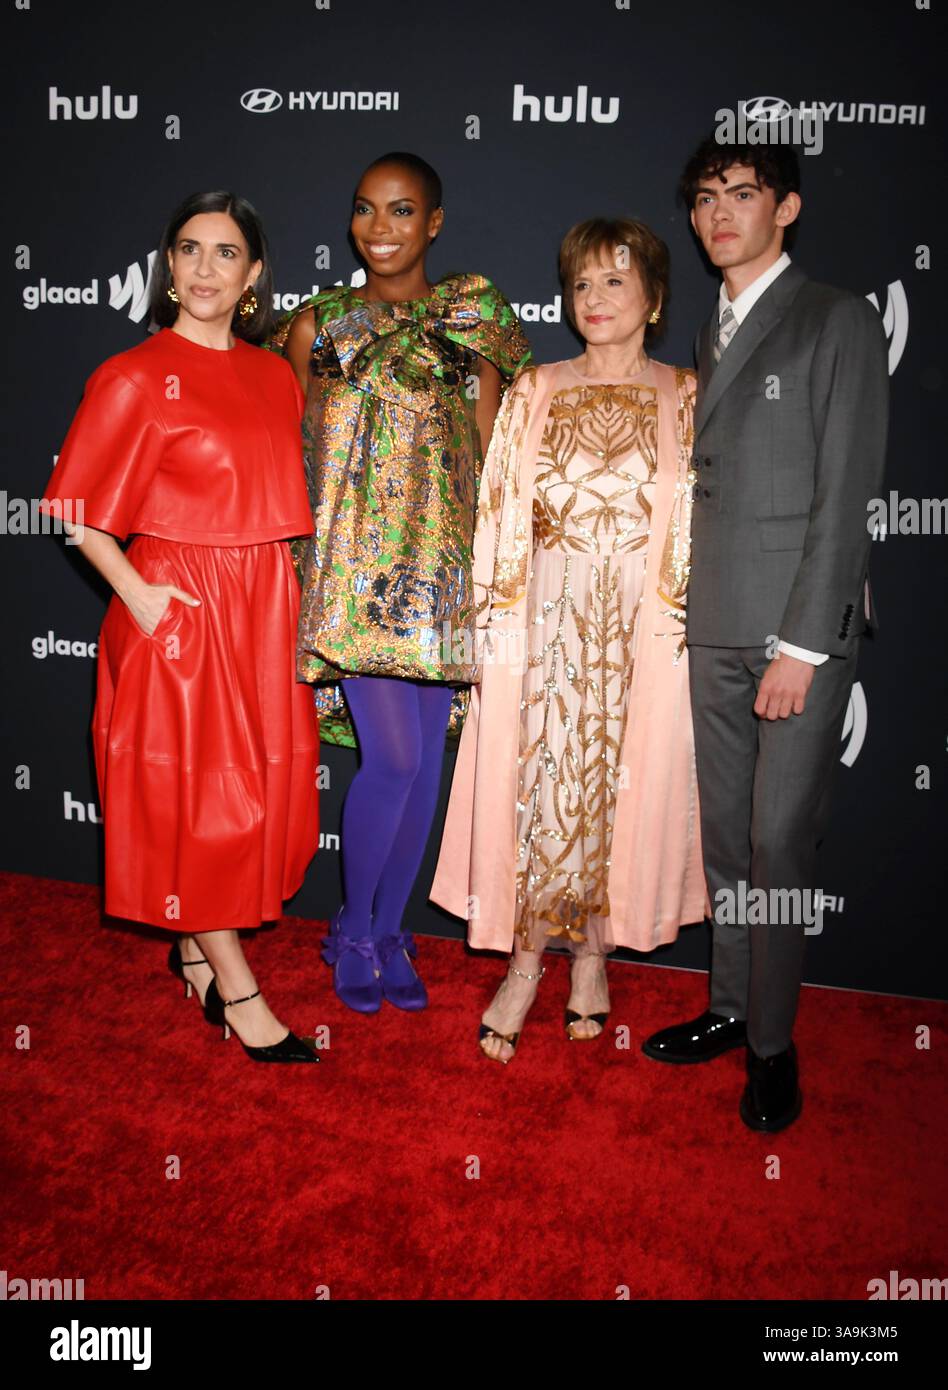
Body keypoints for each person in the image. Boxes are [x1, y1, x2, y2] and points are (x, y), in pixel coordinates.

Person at [40, 191, 321, 1064]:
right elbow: (78, 512)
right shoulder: (131, 374)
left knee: (265, 794)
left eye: (226, 253)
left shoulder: (275, 374)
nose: (205, 270)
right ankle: (240, 992)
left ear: (255, 274)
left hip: (261, 607)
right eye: (190, 250)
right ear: (168, 265)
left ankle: (196, 953)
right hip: (180, 609)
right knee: (209, 808)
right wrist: (142, 596)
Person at [642, 139, 889, 1129]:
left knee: (779, 841)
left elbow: (845, 496)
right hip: (714, 627)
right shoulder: (714, 329)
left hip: (795, 635)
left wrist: (805, 644)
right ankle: (732, 1007)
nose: (719, 214)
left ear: (785, 208)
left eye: (741, 195)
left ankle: (774, 1048)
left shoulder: (837, 318)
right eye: (704, 198)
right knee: (730, 844)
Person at [431, 218, 706, 1062]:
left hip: (648, 626)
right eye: (582, 283)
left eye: (616, 281)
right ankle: (522, 963)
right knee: (538, 783)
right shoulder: (533, 389)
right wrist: (487, 625)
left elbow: (701, 523)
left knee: (619, 790)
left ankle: (593, 957)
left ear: (654, 300)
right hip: (540, 616)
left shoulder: (688, 394)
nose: (595, 299)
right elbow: (498, 518)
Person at [272, 152, 532, 1014]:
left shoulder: (474, 319)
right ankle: (352, 926)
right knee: (396, 758)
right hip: (353, 580)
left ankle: (386, 932)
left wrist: (513, 572)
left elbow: (498, 452)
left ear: (434, 223)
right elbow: (280, 448)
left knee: (426, 770)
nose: (379, 228)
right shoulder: (319, 325)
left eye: (400, 211)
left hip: (448, 575)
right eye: (365, 210)